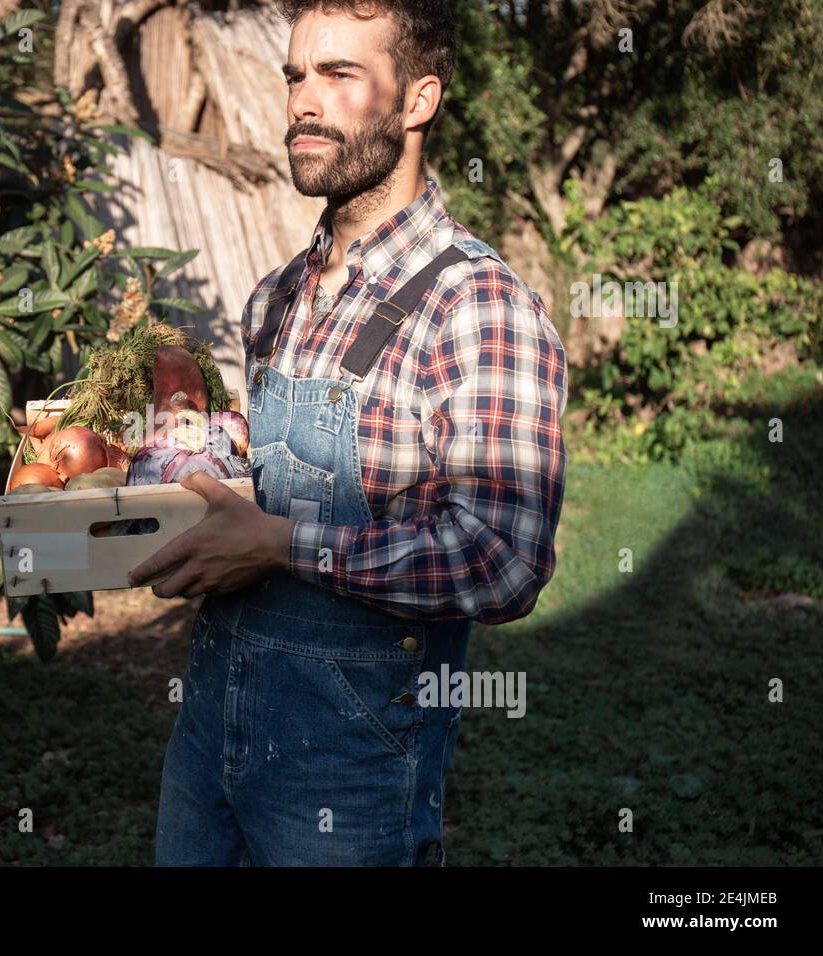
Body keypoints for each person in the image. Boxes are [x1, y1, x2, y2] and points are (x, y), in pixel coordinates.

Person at [128, 0, 568, 866]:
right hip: (208, 743)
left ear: (417, 100)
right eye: (296, 74)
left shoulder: (476, 306)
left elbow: (503, 559)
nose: (302, 99)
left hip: (349, 777)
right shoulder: (276, 296)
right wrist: (168, 469)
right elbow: (257, 485)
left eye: (339, 75)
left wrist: (285, 547)